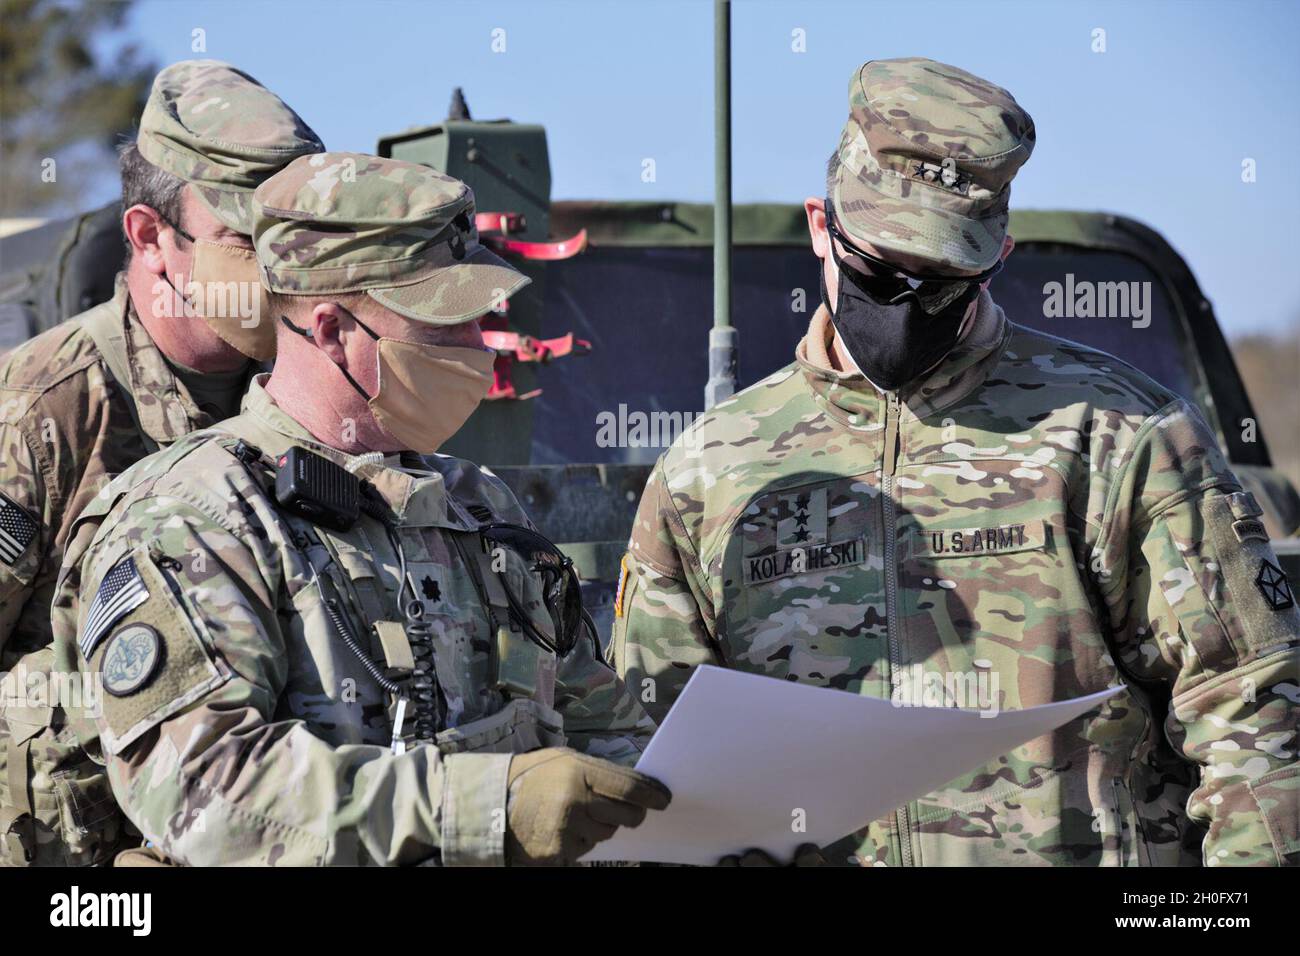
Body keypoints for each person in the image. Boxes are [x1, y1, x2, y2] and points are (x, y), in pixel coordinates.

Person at [610, 57, 1299, 867]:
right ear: (818, 225)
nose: (904, 305)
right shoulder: (708, 469)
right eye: (877, 270)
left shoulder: (1118, 434)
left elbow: (1252, 712)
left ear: (998, 255)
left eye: (939, 281)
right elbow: (647, 744)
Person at [48, 152, 667, 867]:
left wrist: (712, 827)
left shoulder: (477, 503)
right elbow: (203, 791)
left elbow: (599, 729)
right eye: (442, 324)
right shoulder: (189, 517)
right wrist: (480, 805)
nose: (477, 347)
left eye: (476, 319)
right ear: (333, 330)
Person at [0, 59, 323, 865]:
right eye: (246, 241)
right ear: (151, 239)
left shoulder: (319, 386)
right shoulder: (47, 410)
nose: (280, 270)